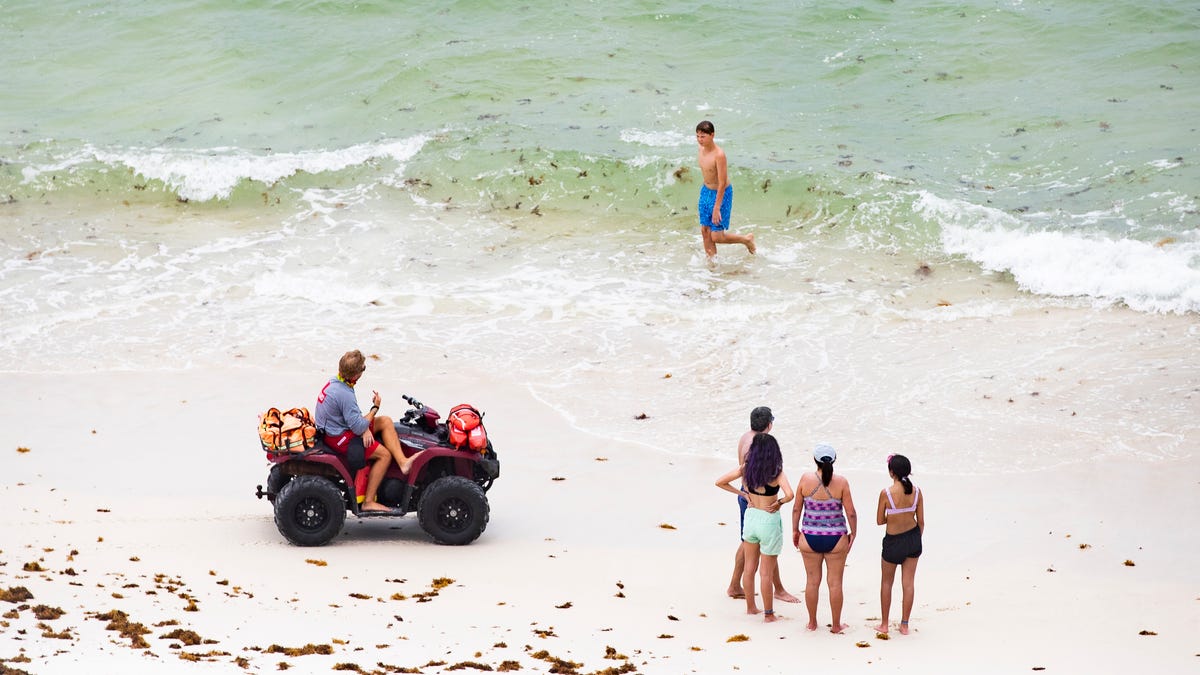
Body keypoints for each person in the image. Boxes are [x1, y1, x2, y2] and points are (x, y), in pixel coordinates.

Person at [314, 350, 423, 512]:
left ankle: (402, 462)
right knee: (384, 455)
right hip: (338, 437)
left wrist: (365, 428)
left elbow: (353, 418)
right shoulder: (345, 394)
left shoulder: (335, 382)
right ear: (356, 374)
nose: (363, 371)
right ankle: (369, 501)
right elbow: (357, 425)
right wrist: (375, 407)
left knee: (385, 421)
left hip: (337, 427)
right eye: (362, 369)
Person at [716, 433, 794, 622]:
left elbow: (720, 482)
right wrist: (780, 503)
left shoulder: (746, 469)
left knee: (749, 568)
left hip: (751, 518)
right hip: (769, 520)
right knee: (766, 572)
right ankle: (768, 615)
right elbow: (790, 494)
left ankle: (751, 608)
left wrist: (743, 494)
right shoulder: (777, 473)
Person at [727, 407, 799, 604]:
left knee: (751, 540)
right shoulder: (756, 445)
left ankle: (738, 585)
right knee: (760, 543)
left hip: (749, 496)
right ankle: (776, 589)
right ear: (769, 424)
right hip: (756, 500)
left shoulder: (745, 437)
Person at [791, 443, 857, 633]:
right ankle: (836, 625)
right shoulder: (842, 482)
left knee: (812, 581)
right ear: (834, 460)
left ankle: (812, 623)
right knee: (835, 583)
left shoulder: (805, 479)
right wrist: (853, 533)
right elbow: (850, 512)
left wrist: (795, 531)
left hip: (809, 537)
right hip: (836, 538)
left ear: (815, 460)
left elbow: (797, 508)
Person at [875, 454, 924, 635]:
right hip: (913, 538)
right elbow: (922, 522)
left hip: (893, 541)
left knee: (887, 582)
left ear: (891, 472)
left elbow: (880, 520)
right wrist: (916, 538)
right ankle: (904, 625)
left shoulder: (886, 493)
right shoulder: (917, 492)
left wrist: (894, 516)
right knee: (908, 583)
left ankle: (885, 624)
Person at [695, 120, 756, 259]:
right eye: (698, 136)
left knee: (716, 236)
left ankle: (746, 240)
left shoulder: (719, 155)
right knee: (705, 230)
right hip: (706, 191)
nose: (700, 140)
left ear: (712, 135)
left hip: (721, 193)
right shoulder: (700, 149)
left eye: (703, 136)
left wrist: (717, 207)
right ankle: (712, 264)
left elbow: (722, 183)